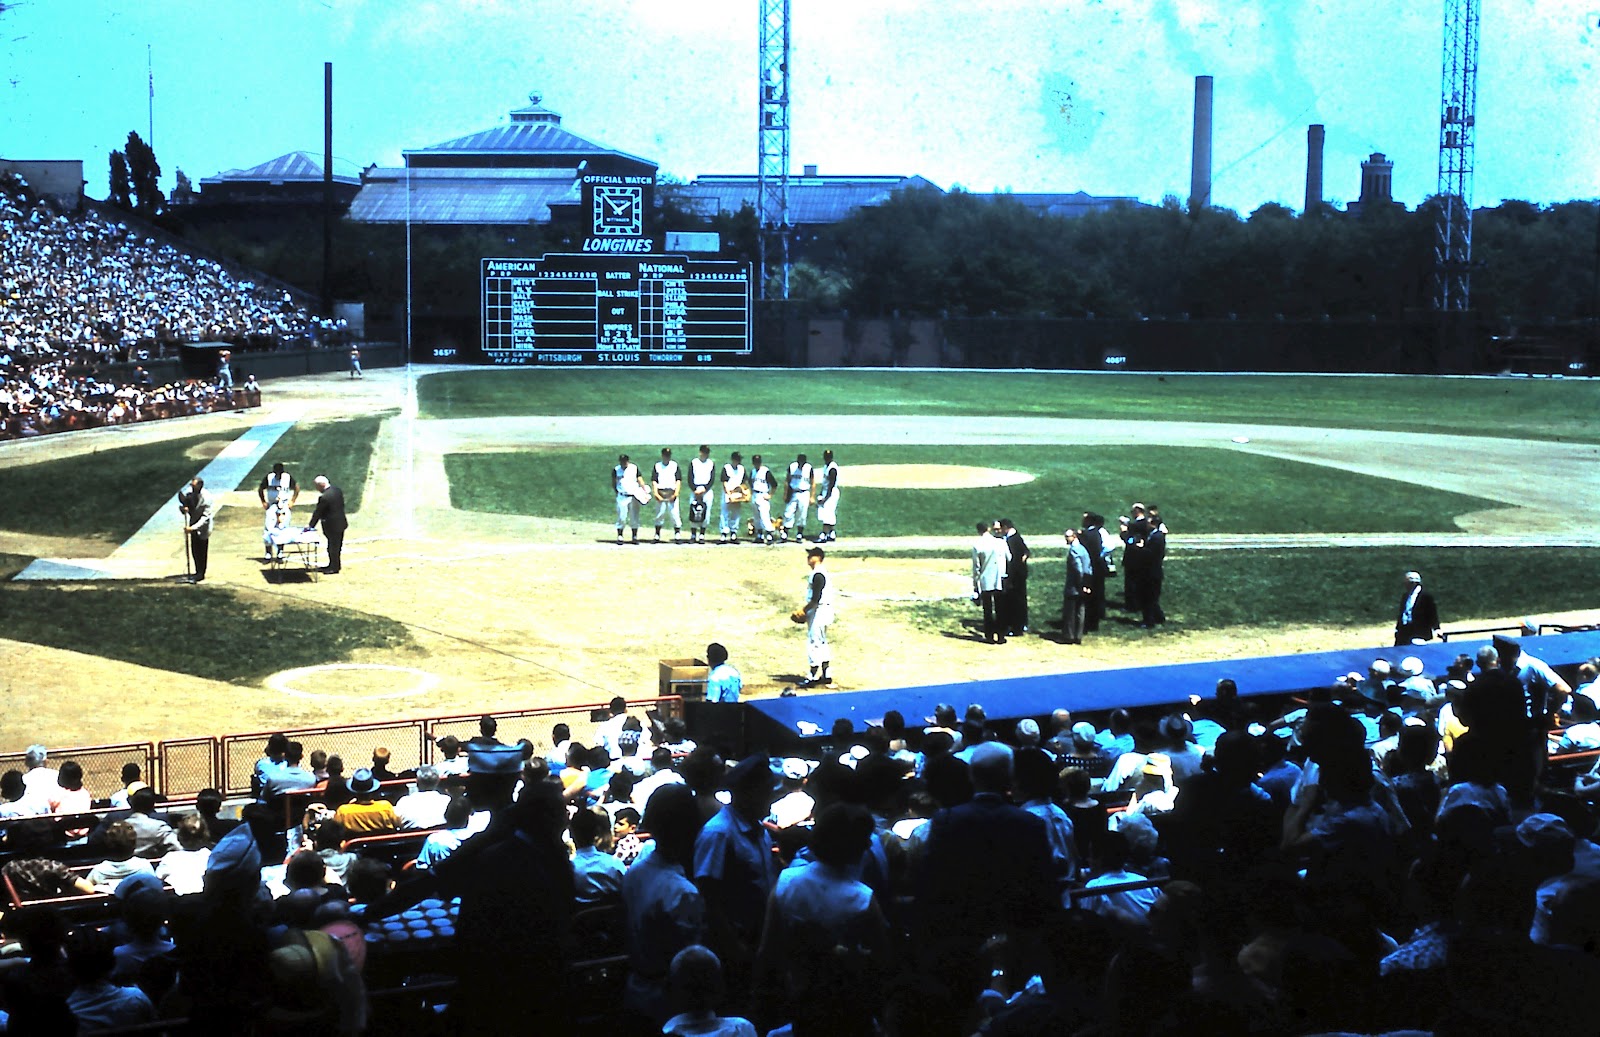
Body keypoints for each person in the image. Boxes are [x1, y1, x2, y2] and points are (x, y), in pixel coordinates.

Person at [797, 547, 836, 687]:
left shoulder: (818, 574)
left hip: (819, 610)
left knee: (814, 642)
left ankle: (812, 676)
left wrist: (803, 610)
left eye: (811, 556)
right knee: (822, 641)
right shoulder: (819, 573)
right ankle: (826, 674)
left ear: (817, 557)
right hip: (824, 610)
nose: (808, 559)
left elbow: (815, 599)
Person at [971, 520, 1010, 644]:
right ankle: (1001, 635)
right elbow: (1009, 557)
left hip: (985, 580)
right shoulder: (1000, 542)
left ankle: (989, 635)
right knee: (1001, 608)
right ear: (988, 529)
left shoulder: (977, 545)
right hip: (999, 578)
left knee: (987, 609)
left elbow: (976, 567)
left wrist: (975, 584)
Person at [304, 474, 347, 574]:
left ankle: (334, 567)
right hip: (341, 522)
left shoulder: (324, 497)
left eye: (317, 486)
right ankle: (335, 565)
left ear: (321, 485)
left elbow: (318, 513)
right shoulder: (337, 491)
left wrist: (310, 526)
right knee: (336, 546)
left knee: (332, 547)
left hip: (331, 525)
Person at [178, 476, 214, 582]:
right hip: (193, 522)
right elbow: (186, 503)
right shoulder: (189, 492)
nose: (192, 488)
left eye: (194, 486)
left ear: (200, 486)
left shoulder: (207, 498)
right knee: (194, 549)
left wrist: (192, 528)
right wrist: (184, 509)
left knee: (202, 550)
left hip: (203, 527)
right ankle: (197, 570)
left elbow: (205, 518)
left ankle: (201, 573)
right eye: (191, 485)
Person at [1081, 512, 1111, 632]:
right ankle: (1095, 620)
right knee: (1097, 593)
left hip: (1090, 568)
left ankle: (1089, 623)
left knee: (1090, 597)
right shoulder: (1096, 533)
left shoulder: (1087, 534)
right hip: (1098, 568)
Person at [1061, 527, 1092, 645]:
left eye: (1067, 536)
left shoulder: (1074, 550)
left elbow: (1078, 569)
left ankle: (1069, 636)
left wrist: (1080, 583)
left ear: (1074, 536)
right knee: (1080, 611)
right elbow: (1088, 567)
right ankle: (1078, 635)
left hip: (1074, 586)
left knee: (1070, 612)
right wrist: (1087, 583)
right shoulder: (1083, 549)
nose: (1066, 538)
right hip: (1084, 584)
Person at [1394, 570, 1440, 645]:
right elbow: (1402, 613)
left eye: (1407, 583)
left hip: (1419, 632)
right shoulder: (1405, 596)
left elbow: (1432, 614)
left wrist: (1436, 628)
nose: (1405, 585)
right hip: (1404, 632)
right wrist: (1397, 628)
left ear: (1414, 583)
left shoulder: (1425, 596)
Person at [1000, 517, 1029, 635]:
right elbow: (1026, 552)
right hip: (1019, 574)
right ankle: (1021, 624)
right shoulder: (1016, 537)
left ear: (1006, 528)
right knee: (1020, 600)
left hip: (1015, 576)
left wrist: (1009, 579)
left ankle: (1017, 627)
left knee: (1016, 601)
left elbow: (1013, 561)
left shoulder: (1012, 540)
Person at [613, 452, 646, 544]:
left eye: (625, 461)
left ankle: (634, 536)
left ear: (628, 461)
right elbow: (614, 482)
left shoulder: (634, 468)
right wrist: (617, 492)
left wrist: (644, 491)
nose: (623, 463)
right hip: (622, 496)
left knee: (634, 516)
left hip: (634, 496)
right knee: (622, 516)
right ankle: (620, 535)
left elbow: (640, 479)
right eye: (622, 461)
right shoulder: (616, 469)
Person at [782, 453, 813, 543]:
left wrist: (812, 496)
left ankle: (799, 533)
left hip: (804, 492)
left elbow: (812, 482)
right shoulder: (792, 467)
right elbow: (787, 480)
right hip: (793, 492)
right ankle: (785, 533)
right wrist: (785, 494)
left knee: (802, 514)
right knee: (788, 512)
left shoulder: (808, 468)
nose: (801, 464)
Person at [654, 447, 683, 542]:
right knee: (660, 514)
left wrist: (676, 493)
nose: (667, 457)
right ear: (662, 455)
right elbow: (654, 480)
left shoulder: (674, 465)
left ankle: (677, 533)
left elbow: (678, 480)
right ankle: (657, 534)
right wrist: (656, 493)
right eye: (665, 455)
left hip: (672, 492)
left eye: (668, 455)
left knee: (674, 514)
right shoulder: (657, 466)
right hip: (661, 492)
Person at [689, 444, 716, 544]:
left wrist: (705, 489)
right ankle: (693, 534)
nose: (706, 454)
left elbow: (712, 479)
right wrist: (695, 489)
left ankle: (702, 534)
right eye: (704, 452)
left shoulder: (711, 463)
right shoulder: (694, 462)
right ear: (700, 452)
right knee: (694, 512)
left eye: (707, 452)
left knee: (706, 512)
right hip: (695, 489)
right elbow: (690, 477)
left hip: (706, 490)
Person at [719, 450, 748, 544]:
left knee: (736, 513)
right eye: (736, 459)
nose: (738, 461)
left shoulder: (742, 469)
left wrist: (744, 493)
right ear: (732, 459)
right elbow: (724, 481)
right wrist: (728, 494)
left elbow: (743, 483)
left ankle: (733, 533)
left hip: (737, 493)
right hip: (727, 492)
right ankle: (723, 533)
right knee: (725, 513)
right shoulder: (727, 468)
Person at [748, 453, 777, 545]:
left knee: (764, 516)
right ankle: (759, 535)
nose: (757, 464)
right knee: (756, 516)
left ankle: (769, 535)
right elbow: (750, 483)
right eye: (755, 462)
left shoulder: (766, 471)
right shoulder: (752, 471)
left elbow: (774, 484)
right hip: (755, 494)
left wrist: (770, 495)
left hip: (763, 495)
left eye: (758, 462)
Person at [814, 448, 841, 543]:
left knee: (827, 513)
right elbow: (825, 482)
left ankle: (823, 535)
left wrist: (825, 498)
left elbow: (831, 485)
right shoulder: (826, 466)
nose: (827, 458)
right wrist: (821, 493)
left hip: (831, 492)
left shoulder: (832, 468)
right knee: (828, 513)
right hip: (826, 491)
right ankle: (832, 533)